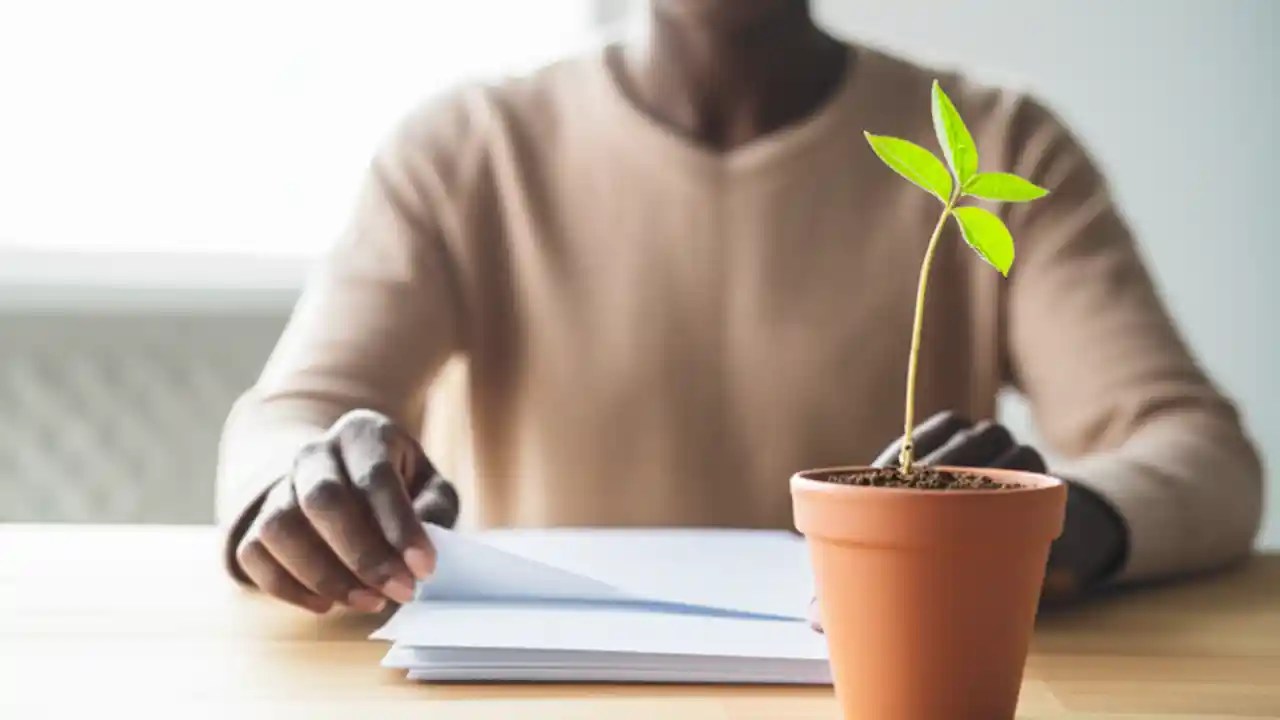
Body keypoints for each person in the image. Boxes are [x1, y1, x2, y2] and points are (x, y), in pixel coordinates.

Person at [216, 0, 1262, 616]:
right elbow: (290, 417)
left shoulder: (993, 149)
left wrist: (1057, 524)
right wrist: (303, 484)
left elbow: (1196, 451)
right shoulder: (465, 153)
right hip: (534, 693)